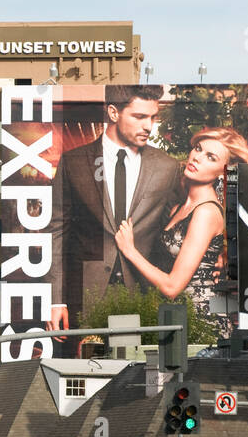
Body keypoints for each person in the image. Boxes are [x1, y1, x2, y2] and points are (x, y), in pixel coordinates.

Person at [47, 86, 181, 353]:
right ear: (113, 112)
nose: (149, 126)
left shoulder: (166, 167)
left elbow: (173, 227)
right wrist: (56, 300)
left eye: (153, 118)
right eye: (140, 117)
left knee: (138, 378)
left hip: (143, 295)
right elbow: (56, 232)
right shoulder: (74, 161)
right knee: (83, 375)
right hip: (85, 295)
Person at [114, 126, 248, 340]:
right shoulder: (180, 206)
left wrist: (129, 250)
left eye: (210, 157)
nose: (197, 158)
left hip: (202, 324)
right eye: (198, 149)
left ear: (223, 172)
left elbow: (173, 287)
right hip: (179, 318)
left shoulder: (206, 212)